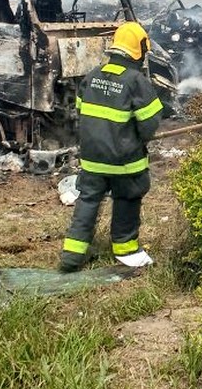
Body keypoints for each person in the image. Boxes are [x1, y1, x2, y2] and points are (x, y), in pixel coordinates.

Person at [59, 21, 163, 272]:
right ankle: (127, 251)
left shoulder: (92, 76)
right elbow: (150, 125)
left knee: (88, 201)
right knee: (127, 199)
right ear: (138, 51)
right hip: (125, 163)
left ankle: (72, 255)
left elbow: (81, 114)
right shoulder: (136, 81)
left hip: (92, 160)